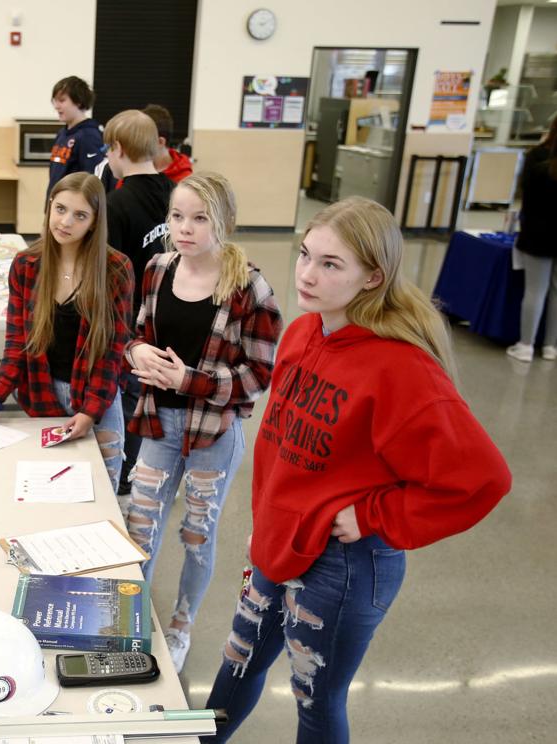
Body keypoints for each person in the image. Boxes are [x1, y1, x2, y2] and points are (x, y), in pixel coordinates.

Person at [202, 197, 511, 743]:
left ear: (373, 277)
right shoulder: (302, 334)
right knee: (238, 662)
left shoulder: (401, 368)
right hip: (280, 542)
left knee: (314, 704)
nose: (307, 273)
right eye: (305, 255)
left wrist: (374, 512)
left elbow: (482, 479)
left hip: (343, 568)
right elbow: (284, 452)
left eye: (330, 264)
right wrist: (270, 523)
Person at [124, 174, 282, 673]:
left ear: (223, 222)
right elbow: (134, 335)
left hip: (213, 434)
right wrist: (136, 351)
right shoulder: (155, 268)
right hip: (157, 424)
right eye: (176, 217)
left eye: (199, 218)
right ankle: (132, 621)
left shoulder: (250, 287)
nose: (185, 229)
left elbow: (259, 377)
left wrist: (190, 380)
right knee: (140, 527)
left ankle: (181, 624)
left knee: (197, 534)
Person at [0, 173, 133, 490]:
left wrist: (91, 412)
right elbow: (17, 348)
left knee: (103, 494)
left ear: (94, 222)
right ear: (49, 206)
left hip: (98, 398)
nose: (65, 221)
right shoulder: (26, 265)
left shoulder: (115, 268)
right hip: (42, 395)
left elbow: (111, 354)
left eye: (80, 215)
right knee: (49, 490)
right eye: (61, 209)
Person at [101, 109, 175, 501]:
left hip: (133, 324)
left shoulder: (117, 203)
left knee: (131, 396)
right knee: (160, 396)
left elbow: (110, 271)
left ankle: (128, 477)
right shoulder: (176, 192)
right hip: (172, 317)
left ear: (118, 149)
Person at [506, 115, 557, 362]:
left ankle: (526, 344)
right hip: (543, 233)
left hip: (538, 235)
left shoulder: (536, 157)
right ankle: (550, 346)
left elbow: (525, 197)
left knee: (535, 291)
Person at [96, 104, 193, 192]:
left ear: (160, 142)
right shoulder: (128, 171)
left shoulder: (184, 181)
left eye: (143, 139)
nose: (136, 144)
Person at [47, 76, 104, 199]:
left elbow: (92, 179)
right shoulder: (62, 133)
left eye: (62, 100)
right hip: (56, 202)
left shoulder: (89, 136)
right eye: (55, 101)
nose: (56, 106)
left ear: (78, 101)